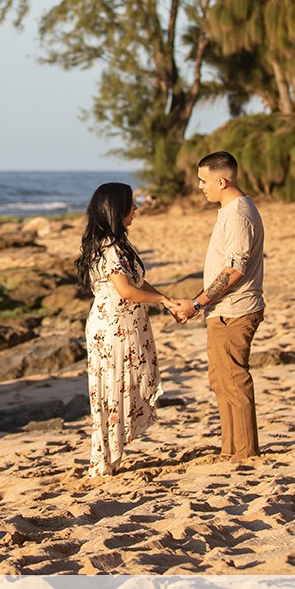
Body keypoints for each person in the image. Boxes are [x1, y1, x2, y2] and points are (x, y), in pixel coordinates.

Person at [76, 181, 194, 477]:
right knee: (112, 389)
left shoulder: (117, 244)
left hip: (124, 322)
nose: (137, 211)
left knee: (117, 387)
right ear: (117, 209)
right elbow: (126, 291)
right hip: (114, 326)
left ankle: (109, 458)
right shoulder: (110, 247)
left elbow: (137, 284)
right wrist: (164, 300)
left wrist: (165, 300)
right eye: (132, 205)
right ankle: (103, 460)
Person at [187, 150, 265, 461]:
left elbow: (235, 269)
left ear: (222, 180)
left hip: (236, 310)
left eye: (203, 181)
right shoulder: (229, 210)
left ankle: (245, 451)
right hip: (222, 311)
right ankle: (230, 448)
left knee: (233, 379)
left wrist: (197, 302)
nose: (200, 186)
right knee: (221, 380)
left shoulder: (238, 214)